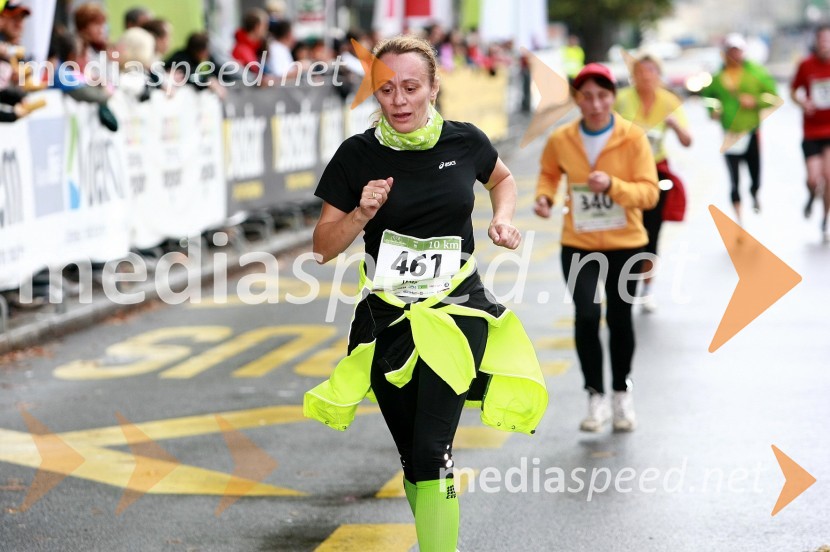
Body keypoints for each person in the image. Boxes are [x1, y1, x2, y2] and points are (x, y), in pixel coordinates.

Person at [304, 35, 547, 552]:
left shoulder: (465, 141)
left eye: (411, 87)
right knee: (413, 454)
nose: (399, 101)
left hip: (456, 311)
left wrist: (502, 220)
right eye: (386, 89)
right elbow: (323, 246)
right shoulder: (356, 155)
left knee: (434, 446)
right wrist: (360, 214)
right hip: (387, 317)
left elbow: (501, 180)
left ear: (434, 87)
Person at [534, 63, 658, 432]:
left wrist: (613, 187)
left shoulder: (633, 138)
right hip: (579, 244)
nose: (595, 104)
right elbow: (549, 173)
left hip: (626, 244)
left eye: (602, 96)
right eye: (586, 96)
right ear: (576, 99)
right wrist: (544, 197)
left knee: (620, 318)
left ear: (612, 97)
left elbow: (649, 193)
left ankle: (621, 392)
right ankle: (595, 396)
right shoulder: (562, 139)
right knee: (587, 316)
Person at [615, 53, 692, 312]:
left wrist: (675, 125)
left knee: (652, 231)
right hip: (624, 174)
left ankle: (646, 289)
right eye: (640, 71)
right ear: (633, 75)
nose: (646, 76)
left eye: (651, 71)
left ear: (659, 75)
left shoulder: (669, 101)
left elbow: (687, 140)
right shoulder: (622, 99)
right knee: (625, 230)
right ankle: (620, 284)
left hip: (657, 172)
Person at [700, 33, 778, 223]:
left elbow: (773, 97)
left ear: (743, 52)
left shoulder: (756, 73)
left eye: (738, 51)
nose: (735, 55)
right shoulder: (719, 77)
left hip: (751, 131)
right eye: (731, 51)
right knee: (734, 179)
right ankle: (739, 218)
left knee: (755, 176)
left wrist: (755, 101)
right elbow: (708, 96)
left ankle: (754, 193)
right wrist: (713, 110)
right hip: (730, 133)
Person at [791, 25, 830, 241]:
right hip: (812, 131)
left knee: (829, 177)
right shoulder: (806, 65)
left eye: (829, 40)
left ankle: (824, 217)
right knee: (814, 179)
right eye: (822, 40)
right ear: (816, 42)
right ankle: (810, 194)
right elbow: (793, 92)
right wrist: (802, 102)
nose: (825, 44)